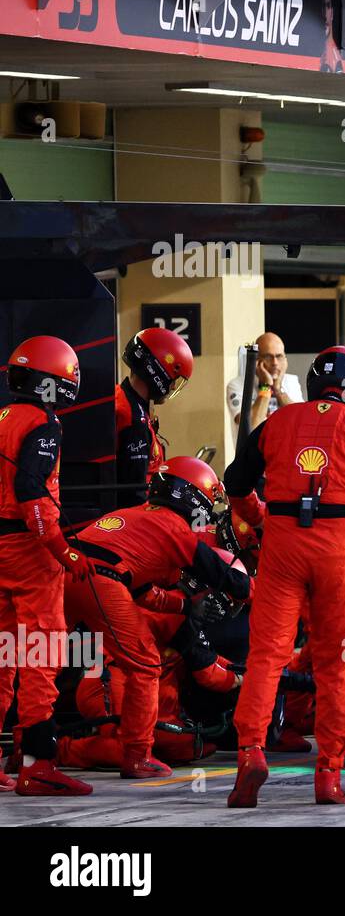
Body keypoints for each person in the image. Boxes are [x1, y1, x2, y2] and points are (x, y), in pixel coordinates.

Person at [224, 345, 345, 808]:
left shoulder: (276, 423)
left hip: (283, 543)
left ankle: (249, 753)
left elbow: (235, 481)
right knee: (335, 661)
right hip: (338, 547)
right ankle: (328, 773)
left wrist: (257, 515)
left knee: (266, 655)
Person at [62, 456, 249, 779]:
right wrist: (257, 589)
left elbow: (142, 591)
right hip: (101, 581)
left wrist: (184, 607)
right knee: (146, 664)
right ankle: (137, 755)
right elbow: (216, 572)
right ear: (193, 496)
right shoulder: (172, 527)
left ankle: (28, 751)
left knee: (36, 662)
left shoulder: (135, 518)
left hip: (65, 572)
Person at [0, 336, 91, 796]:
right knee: (41, 652)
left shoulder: (2, 418)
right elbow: (31, 492)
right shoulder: (43, 424)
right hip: (29, 550)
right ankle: (37, 763)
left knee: (2, 658)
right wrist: (63, 550)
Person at [117, 327, 194, 507]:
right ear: (158, 371)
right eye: (174, 378)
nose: (173, 387)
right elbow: (134, 494)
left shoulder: (125, 400)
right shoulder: (133, 419)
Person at [226, 332, 302, 443]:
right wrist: (266, 387)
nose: (275, 363)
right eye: (268, 357)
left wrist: (277, 390)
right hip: (254, 456)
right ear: (256, 360)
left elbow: (301, 420)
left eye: (279, 356)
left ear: (285, 360)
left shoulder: (291, 381)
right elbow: (251, 427)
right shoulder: (237, 385)